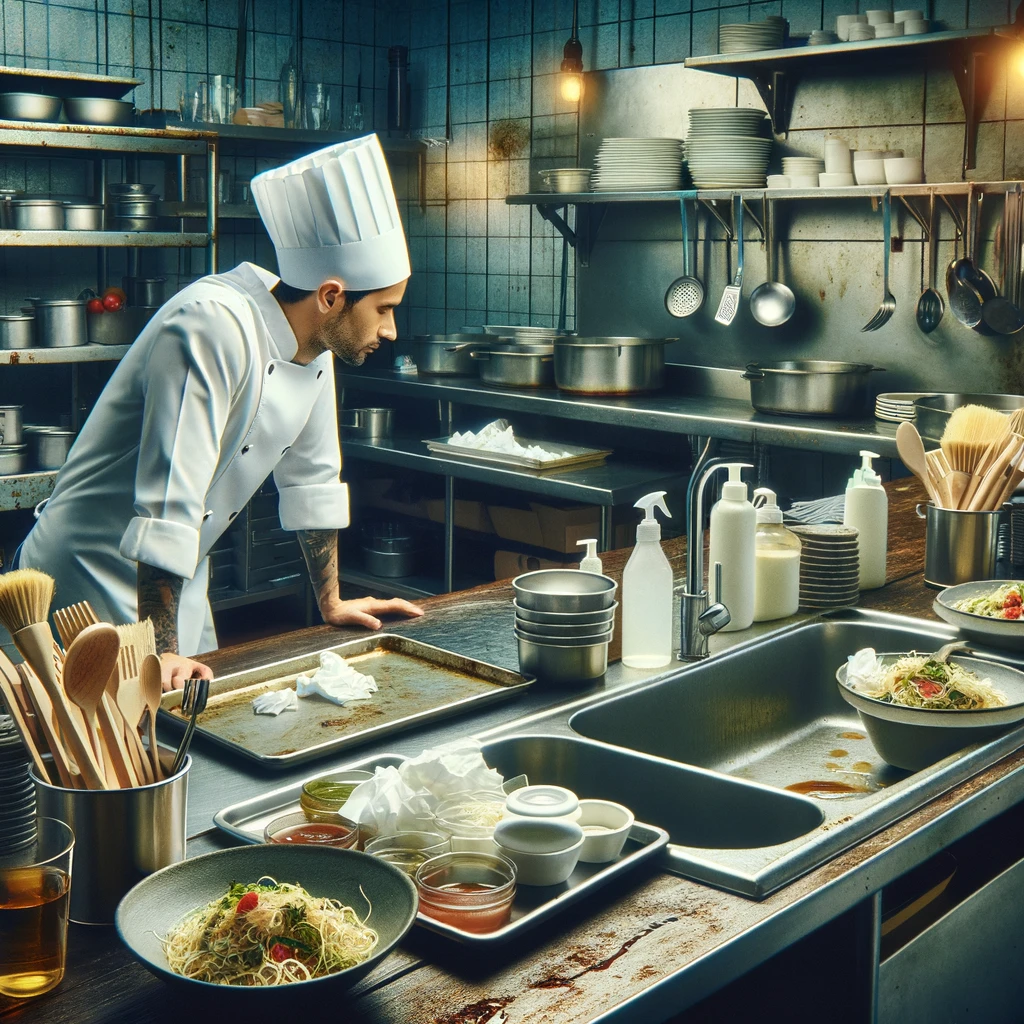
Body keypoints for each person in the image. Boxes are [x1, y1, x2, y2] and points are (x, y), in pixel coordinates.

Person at [17, 134, 422, 689]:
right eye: (384, 309)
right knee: (97, 735)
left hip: (176, 583)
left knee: (188, 724)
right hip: (84, 575)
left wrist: (331, 601)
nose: (390, 330)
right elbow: (169, 501)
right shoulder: (211, 324)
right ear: (330, 297)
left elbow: (313, 479)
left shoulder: (316, 344)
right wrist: (165, 652)